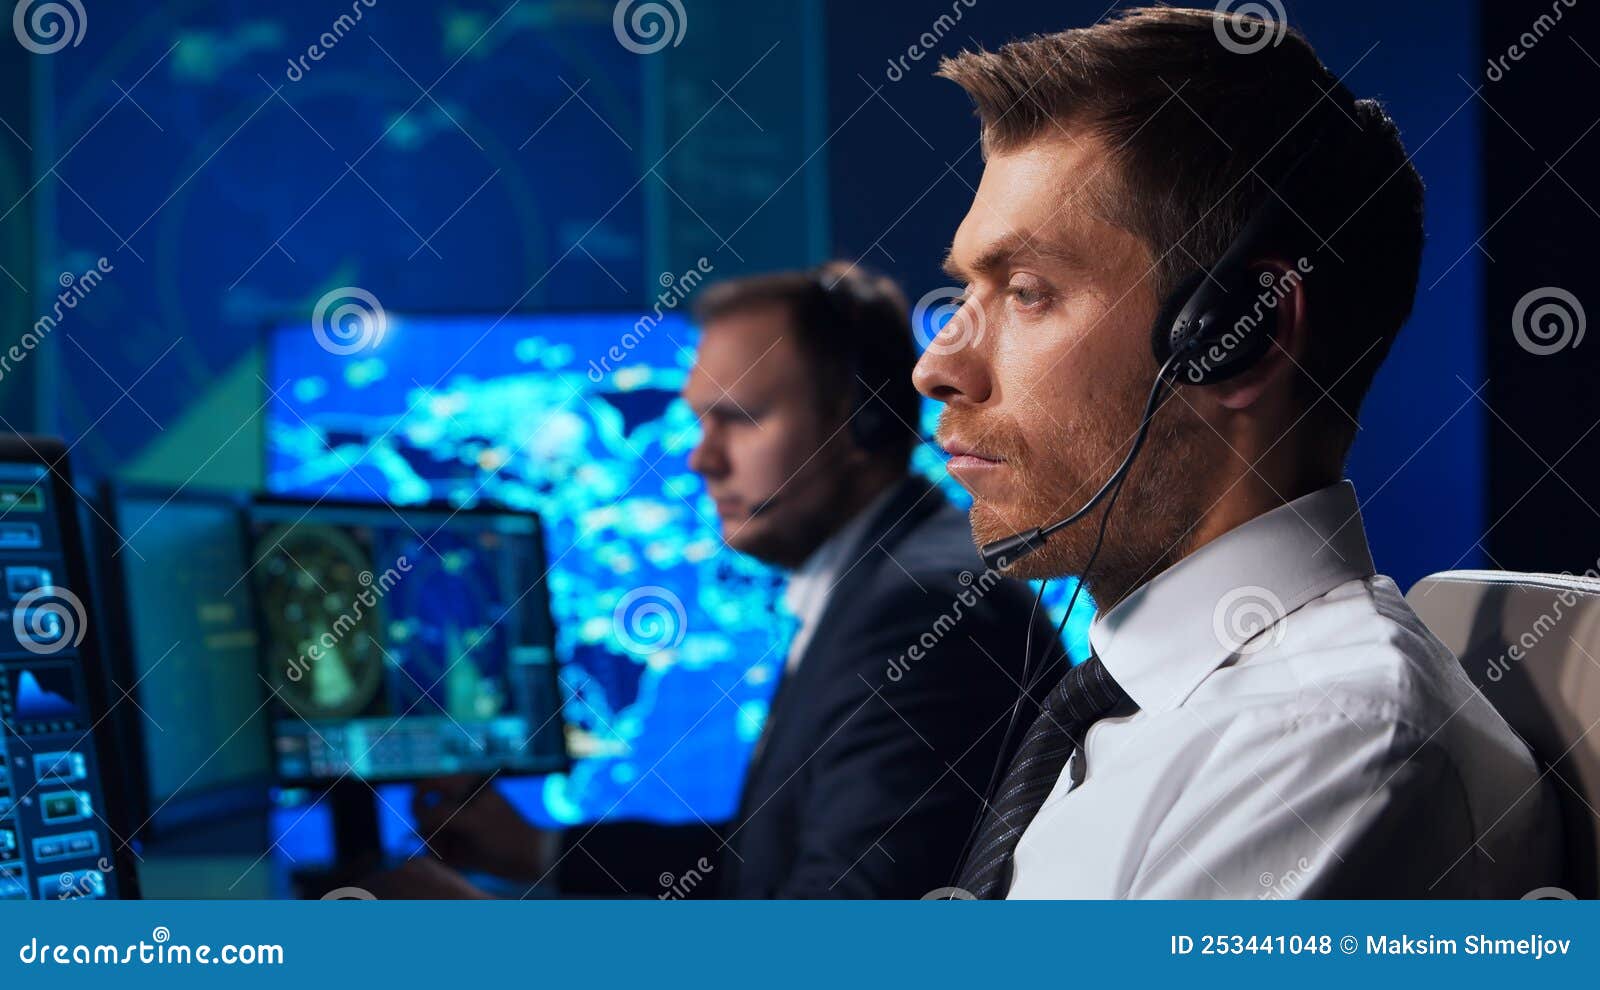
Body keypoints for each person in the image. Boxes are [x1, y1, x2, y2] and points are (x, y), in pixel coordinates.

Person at [914, 7, 1561, 898]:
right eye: (965, 292)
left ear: (1236, 338)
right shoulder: (1140, 702)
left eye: (1026, 292)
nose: (936, 366)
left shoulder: (1332, 743)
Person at [381, 262, 1055, 899]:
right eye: (701, 420)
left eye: (739, 417)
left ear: (863, 420)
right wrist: (534, 853)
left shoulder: (922, 612)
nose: (702, 458)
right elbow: (766, 862)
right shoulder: (885, 578)